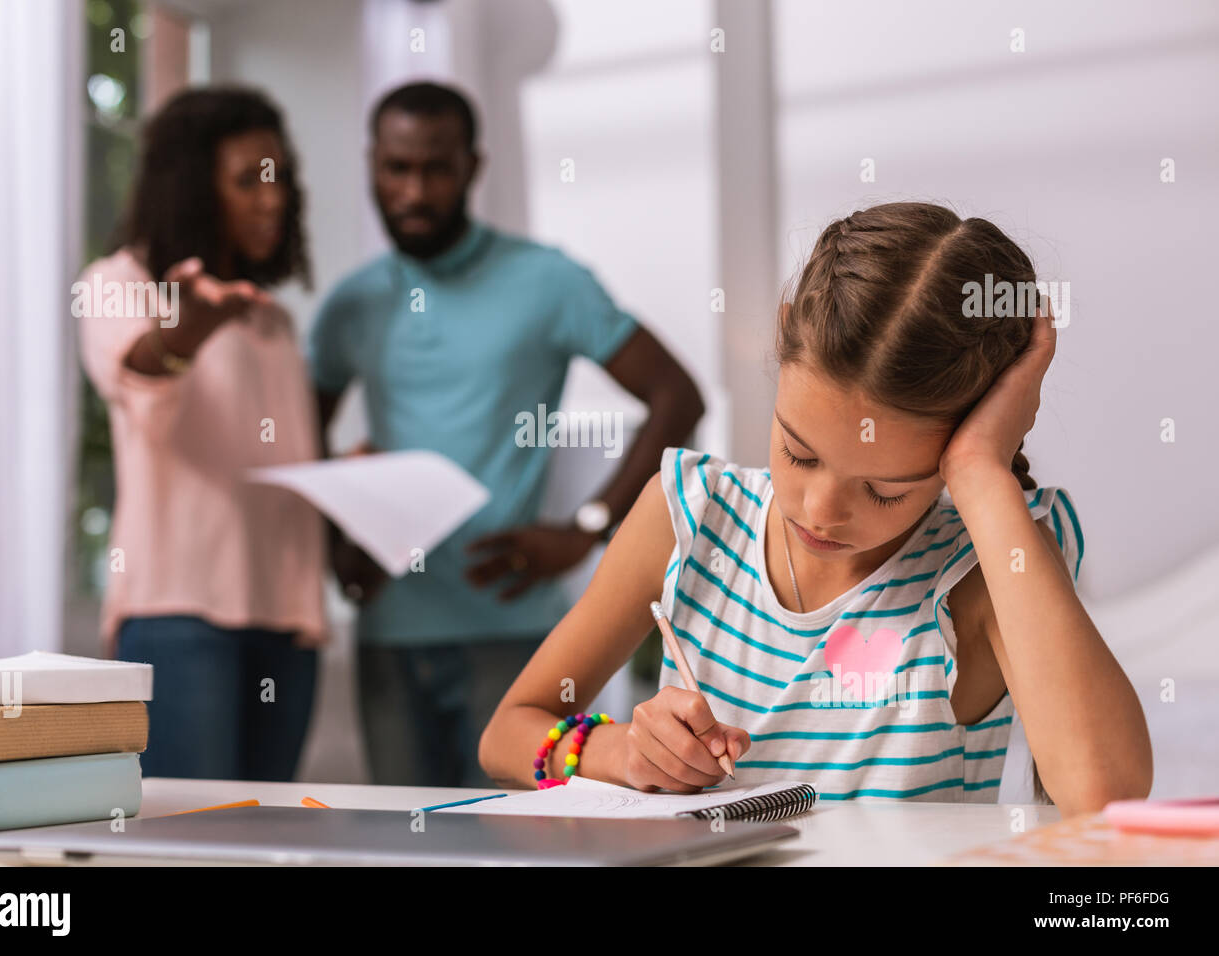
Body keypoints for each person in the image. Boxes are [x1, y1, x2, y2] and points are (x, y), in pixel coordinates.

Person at [480, 202, 1153, 817]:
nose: (821, 511)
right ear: (781, 342)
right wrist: (621, 751)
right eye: (799, 454)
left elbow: (1105, 792)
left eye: (885, 488)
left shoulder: (984, 566)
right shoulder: (692, 514)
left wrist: (983, 474)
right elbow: (510, 731)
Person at [307, 82, 706, 787]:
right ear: (372, 165)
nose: (415, 190)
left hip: (517, 638)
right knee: (402, 852)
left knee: (515, 848)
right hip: (391, 637)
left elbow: (677, 395)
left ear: (473, 168)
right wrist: (336, 542)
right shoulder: (352, 303)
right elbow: (299, 427)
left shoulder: (546, 281)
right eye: (397, 169)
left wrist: (586, 527)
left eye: (436, 168)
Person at [77, 87, 326, 781]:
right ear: (192, 186)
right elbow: (141, 377)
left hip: (285, 621)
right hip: (178, 616)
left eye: (279, 179)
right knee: (190, 846)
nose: (271, 200)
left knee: (265, 843)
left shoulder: (272, 320)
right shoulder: (118, 285)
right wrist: (187, 331)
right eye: (249, 180)